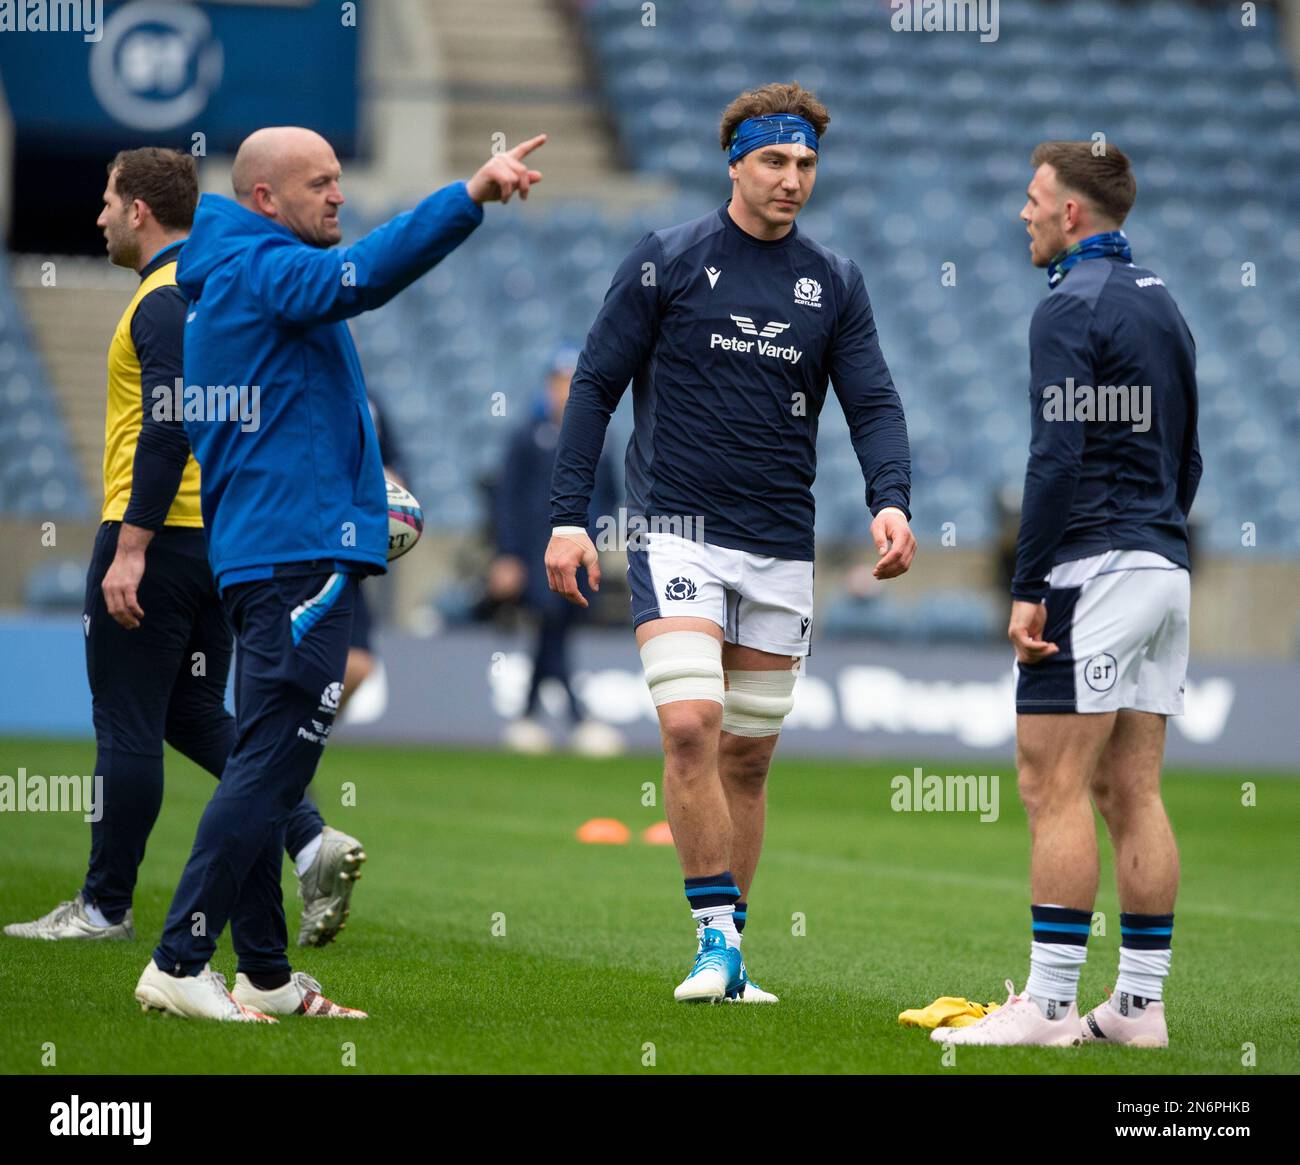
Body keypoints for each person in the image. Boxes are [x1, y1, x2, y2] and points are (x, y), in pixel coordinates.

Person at [133, 126, 547, 1021]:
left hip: (279, 549)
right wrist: (466, 197)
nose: (337, 195)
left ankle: (269, 978)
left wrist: (360, 502)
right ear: (263, 198)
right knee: (270, 771)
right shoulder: (261, 270)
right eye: (319, 183)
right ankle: (178, 958)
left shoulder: (231, 274)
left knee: (260, 767)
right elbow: (358, 275)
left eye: (337, 179)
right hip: (297, 560)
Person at [546, 83, 914, 1004]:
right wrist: (566, 516)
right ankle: (713, 941)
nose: (794, 179)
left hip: (781, 547)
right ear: (735, 164)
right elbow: (593, 385)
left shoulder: (833, 280)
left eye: (806, 164)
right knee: (689, 726)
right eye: (776, 162)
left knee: (748, 756)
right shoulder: (666, 259)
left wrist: (890, 499)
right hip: (677, 533)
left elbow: (872, 401)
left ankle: (735, 956)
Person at [3, 148, 359, 951]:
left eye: (106, 199)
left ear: (138, 212)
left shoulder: (166, 297)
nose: (96, 215)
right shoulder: (208, 289)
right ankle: (307, 838)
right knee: (193, 710)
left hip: (156, 536)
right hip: (219, 540)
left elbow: (168, 421)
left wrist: (130, 546)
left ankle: (103, 906)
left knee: (126, 720)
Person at [935, 142, 1200, 1048]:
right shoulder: (1165, 305)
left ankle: (1047, 1006)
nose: (1024, 213)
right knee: (1134, 791)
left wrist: (1028, 584)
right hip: (1165, 568)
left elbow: (1054, 457)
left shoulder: (1067, 308)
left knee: (1052, 784)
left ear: (1072, 214)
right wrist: (1157, 537)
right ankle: (1138, 1007)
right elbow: (1191, 455)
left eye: (1034, 198)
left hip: (1094, 570)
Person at [490, 346, 623, 756]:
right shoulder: (526, 437)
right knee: (549, 622)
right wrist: (507, 554)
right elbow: (506, 499)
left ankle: (528, 715)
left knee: (556, 629)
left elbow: (608, 495)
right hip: (533, 553)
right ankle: (578, 718)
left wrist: (601, 541)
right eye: (558, 383)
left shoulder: (599, 438)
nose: (564, 392)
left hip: (579, 553)